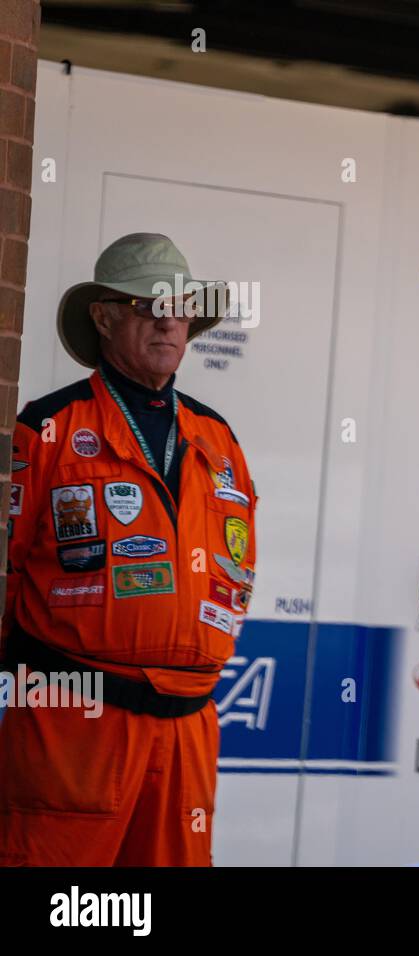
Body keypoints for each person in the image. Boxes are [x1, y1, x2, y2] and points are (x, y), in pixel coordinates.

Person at [0, 233, 257, 866]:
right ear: (104, 316)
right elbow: (6, 573)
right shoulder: (49, 427)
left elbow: (236, 566)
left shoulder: (218, 438)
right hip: (73, 726)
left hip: (188, 732)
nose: (167, 319)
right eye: (148, 305)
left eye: (178, 305)